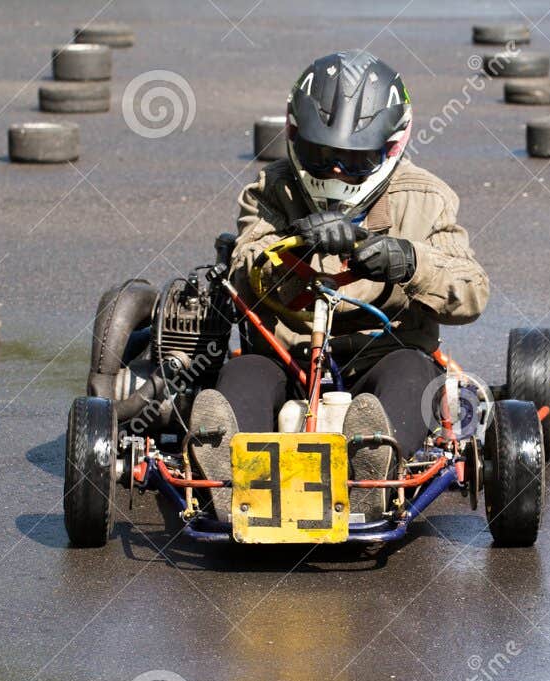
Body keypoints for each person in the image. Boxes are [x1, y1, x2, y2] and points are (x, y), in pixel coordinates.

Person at [189, 49, 489, 519]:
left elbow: (472, 290)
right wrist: (294, 249)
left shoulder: (426, 199)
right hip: (287, 359)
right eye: (322, 155)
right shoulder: (272, 191)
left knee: (412, 376)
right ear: (295, 138)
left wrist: (411, 262)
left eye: (353, 160)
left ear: (389, 148)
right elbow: (245, 263)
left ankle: (369, 471)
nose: (334, 171)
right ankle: (231, 479)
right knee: (242, 375)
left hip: (385, 353)